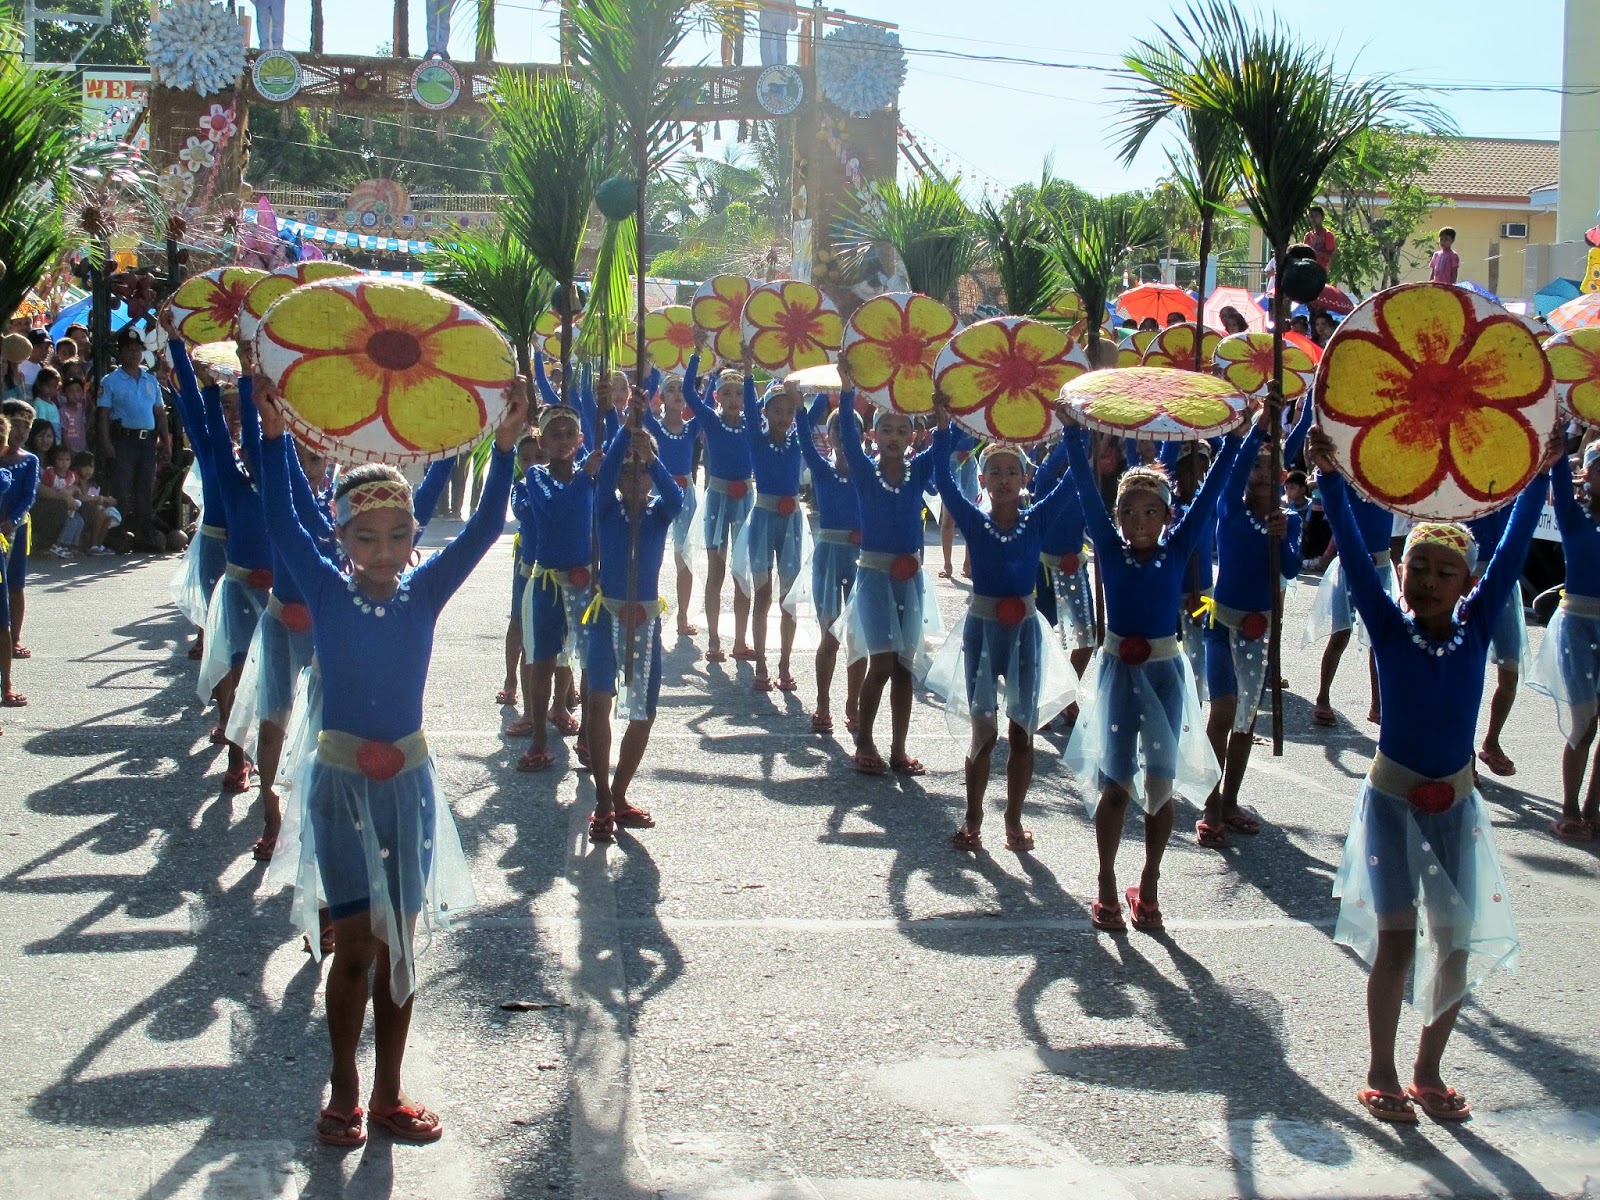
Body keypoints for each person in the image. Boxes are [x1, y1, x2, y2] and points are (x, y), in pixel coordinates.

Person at [254, 371, 525, 1149]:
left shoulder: (424, 592)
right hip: (340, 787)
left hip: (407, 788)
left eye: (398, 535)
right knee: (355, 948)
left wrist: (505, 445)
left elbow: (483, 527)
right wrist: (271, 436)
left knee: (399, 947)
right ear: (340, 540)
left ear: (413, 537)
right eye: (365, 537)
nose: (383, 551)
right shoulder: (325, 590)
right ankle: (344, 1086)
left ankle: (389, 1091)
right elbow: (279, 513)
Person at [1305, 422, 1553, 1125]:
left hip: (1458, 809)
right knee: (1396, 941)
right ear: (1402, 573)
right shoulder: (1388, 625)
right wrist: (1328, 476)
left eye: (1447, 572)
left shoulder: (1477, 626)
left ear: (1469, 583)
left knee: (1456, 942)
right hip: (1391, 805)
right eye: (1420, 568)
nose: (1432, 581)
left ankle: (1428, 1069)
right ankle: (1381, 1068)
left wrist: (1543, 471)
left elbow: (1513, 545)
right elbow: (1350, 546)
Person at [1058, 401, 1246, 933]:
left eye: (1150, 512)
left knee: (1161, 787)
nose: (1139, 522)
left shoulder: (1180, 546)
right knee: (1116, 784)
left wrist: (1238, 437)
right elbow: (1085, 487)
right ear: (1116, 517)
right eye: (1129, 512)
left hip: (1165, 675)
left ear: (1167, 516)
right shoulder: (1109, 548)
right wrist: (1073, 435)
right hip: (1118, 675)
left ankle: (1152, 881)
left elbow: (1210, 491)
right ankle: (1106, 882)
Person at [928, 414, 1075, 852]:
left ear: (1025, 477)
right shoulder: (975, 521)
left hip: (1025, 632)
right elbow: (943, 480)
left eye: (1013, 471)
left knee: (1023, 732)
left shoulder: (1037, 520)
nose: (1005, 479)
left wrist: (1076, 430)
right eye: (995, 471)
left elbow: (1072, 480)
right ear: (983, 480)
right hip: (982, 632)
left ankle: (1013, 816)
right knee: (984, 732)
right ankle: (973, 814)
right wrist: (944, 430)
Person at [1196, 420, 1302, 848]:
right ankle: (1209, 803)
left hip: (1259, 632)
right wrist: (1257, 430)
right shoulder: (1231, 508)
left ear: (1282, 475)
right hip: (1221, 625)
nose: (1259, 473)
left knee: (1245, 720)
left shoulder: (1289, 519)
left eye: (1268, 466)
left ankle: (1231, 801)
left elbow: (1291, 568)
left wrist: (1284, 539)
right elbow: (1235, 468)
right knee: (1222, 713)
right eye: (1254, 465)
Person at [832, 366, 940, 776]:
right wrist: (847, 391)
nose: (894, 436)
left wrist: (944, 413)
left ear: (913, 436)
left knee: (904, 669)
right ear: (874, 436)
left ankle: (898, 748)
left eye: (901, 430)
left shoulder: (918, 472)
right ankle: (864, 740)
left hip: (909, 581)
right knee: (880, 665)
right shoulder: (865, 472)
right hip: (875, 579)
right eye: (886, 429)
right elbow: (847, 431)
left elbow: (948, 446)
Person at [584, 403, 684, 841]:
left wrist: (652, 457)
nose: (635, 477)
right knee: (598, 703)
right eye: (628, 471)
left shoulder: (660, 513)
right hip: (605, 618)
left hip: (645, 622)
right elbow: (605, 475)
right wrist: (626, 431)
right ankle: (602, 799)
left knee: (643, 713)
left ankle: (620, 793)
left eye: (642, 471)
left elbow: (677, 497)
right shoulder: (606, 508)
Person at [179, 341, 271, 796]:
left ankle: (269, 762)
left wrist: (256, 378)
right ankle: (237, 755)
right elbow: (211, 428)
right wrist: (209, 387)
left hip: (277, 594)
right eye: (249, 451)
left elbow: (259, 434)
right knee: (234, 669)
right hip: (234, 583)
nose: (251, 452)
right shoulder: (233, 483)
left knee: (271, 680)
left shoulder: (282, 489)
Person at [518, 398, 601, 773]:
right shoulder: (537, 477)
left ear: (580, 439)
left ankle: (586, 734)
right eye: (555, 435)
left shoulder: (592, 476)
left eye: (570, 434)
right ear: (543, 442)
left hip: (585, 581)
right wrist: (585, 479)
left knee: (588, 660)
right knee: (544, 661)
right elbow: (556, 509)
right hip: (548, 583)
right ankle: (538, 737)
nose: (563, 440)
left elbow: (598, 525)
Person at [1529, 444, 1600, 840]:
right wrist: (1555, 443)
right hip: (1577, 625)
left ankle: (1594, 806)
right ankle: (1570, 807)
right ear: (1586, 474)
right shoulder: (1574, 517)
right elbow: (1556, 475)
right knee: (1584, 723)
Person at [793, 393, 862, 734]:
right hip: (830, 557)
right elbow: (803, 436)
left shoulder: (869, 472)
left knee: (857, 637)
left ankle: (854, 702)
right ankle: (822, 702)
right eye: (838, 430)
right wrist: (800, 405)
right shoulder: (821, 469)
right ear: (830, 437)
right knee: (830, 634)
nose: (845, 436)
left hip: (862, 558)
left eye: (851, 431)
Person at [733, 366, 805, 691]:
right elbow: (749, 410)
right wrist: (749, 372)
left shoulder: (797, 442)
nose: (784, 417)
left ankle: (785, 664)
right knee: (762, 595)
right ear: (766, 413)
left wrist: (803, 387)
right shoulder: (757, 441)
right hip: (763, 519)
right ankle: (761, 662)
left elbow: (812, 408)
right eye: (777, 411)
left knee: (788, 596)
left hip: (791, 524)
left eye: (789, 412)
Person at [684, 345, 754, 663]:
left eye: (739, 393)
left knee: (742, 572)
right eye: (727, 393)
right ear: (717, 397)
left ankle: (740, 640)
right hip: (717, 500)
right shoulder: (711, 421)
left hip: (745, 500)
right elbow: (689, 391)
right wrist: (699, 355)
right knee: (717, 571)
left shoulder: (752, 422)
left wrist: (750, 369)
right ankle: (713, 640)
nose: (734, 399)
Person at [1467, 503, 1529, 779]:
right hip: (1467, 576)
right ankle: (1463, 752)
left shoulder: (1514, 486)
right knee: (1467, 674)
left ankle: (1492, 741)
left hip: (1503, 580)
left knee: (1510, 675)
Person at [97, 327, 171, 549]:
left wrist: (165, 441)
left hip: (146, 441)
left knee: (144, 489)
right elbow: (103, 414)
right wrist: (106, 443)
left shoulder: (150, 380)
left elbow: (159, 412)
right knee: (121, 488)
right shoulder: (110, 381)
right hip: (124, 440)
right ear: (121, 352)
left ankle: (143, 536)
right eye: (130, 350)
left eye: (138, 350)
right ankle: (116, 536)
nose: (135, 354)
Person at [641, 371, 700, 641]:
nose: (678, 394)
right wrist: (653, 370)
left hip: (686, 495)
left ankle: (682, 617)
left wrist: (705, 365)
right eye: (671, 389)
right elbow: (642, 404)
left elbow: (705, 406)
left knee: (684, 557)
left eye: (681, 389)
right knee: (651, 553)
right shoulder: (654, 427)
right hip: (658, 490)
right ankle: (647, 610)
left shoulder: (691, 428)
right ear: (662, 397)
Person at [501, 432, 545, 730]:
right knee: (519, 622)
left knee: (558, 633)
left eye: (540, 458)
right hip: (528, 565)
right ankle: (511, 679)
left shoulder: (562, 482)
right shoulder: (521, 488)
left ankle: (561, 695)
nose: (532, 465)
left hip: (556, 565)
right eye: (525, 459)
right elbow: (525, 512)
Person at [1, 401, 39, 682]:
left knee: (15, 584)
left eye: (26, 427)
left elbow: (29, 495)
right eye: (16, 425)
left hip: (17, 527)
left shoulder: (30, 460)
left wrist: (13, 519)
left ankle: (14, 638)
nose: (21, 432)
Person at [937, 425, 979, 579]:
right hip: (951, 461)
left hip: (969, 461)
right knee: (948, 517)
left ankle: (968, 564)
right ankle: (947, 564)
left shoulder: (973, 414)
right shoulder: (950, 415)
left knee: (971, 516)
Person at [56, 375, 90, 455]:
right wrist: (68, 450)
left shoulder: (81, 410)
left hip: (82, 449)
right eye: (71, 391)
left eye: (78, 391)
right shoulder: (62, 411)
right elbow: (63, 432)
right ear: (64, 393)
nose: (75, 394)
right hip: (69, 451)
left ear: (82, 393)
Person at [1305, 205, 1336, 272]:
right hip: (1308, 269)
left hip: (1321, 270)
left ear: (1322, 217)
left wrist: (1314, 253)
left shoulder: (1328, 235)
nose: (1313, 219)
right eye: (1311, 217)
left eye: (1316, 216)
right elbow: (1304, 253)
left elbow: (1329, 255)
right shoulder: (1308, 236)